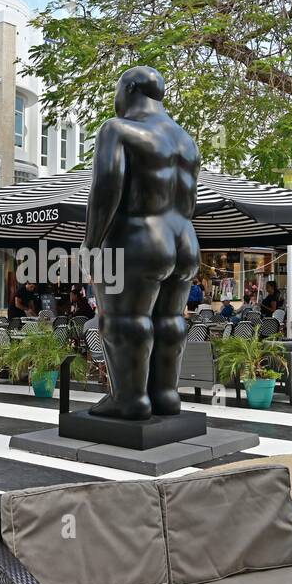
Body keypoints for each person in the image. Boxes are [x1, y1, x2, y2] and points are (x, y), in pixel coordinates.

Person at [84, 66, 198, 420]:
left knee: (124, 320)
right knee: (170, 320)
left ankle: (129, 400)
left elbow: (106, 188)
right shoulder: (185, 140)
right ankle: (165, 395)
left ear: (130, 88)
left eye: (117, 89)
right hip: (184, 239)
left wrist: (91, 244)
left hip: (138, 238)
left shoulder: (117, 129)